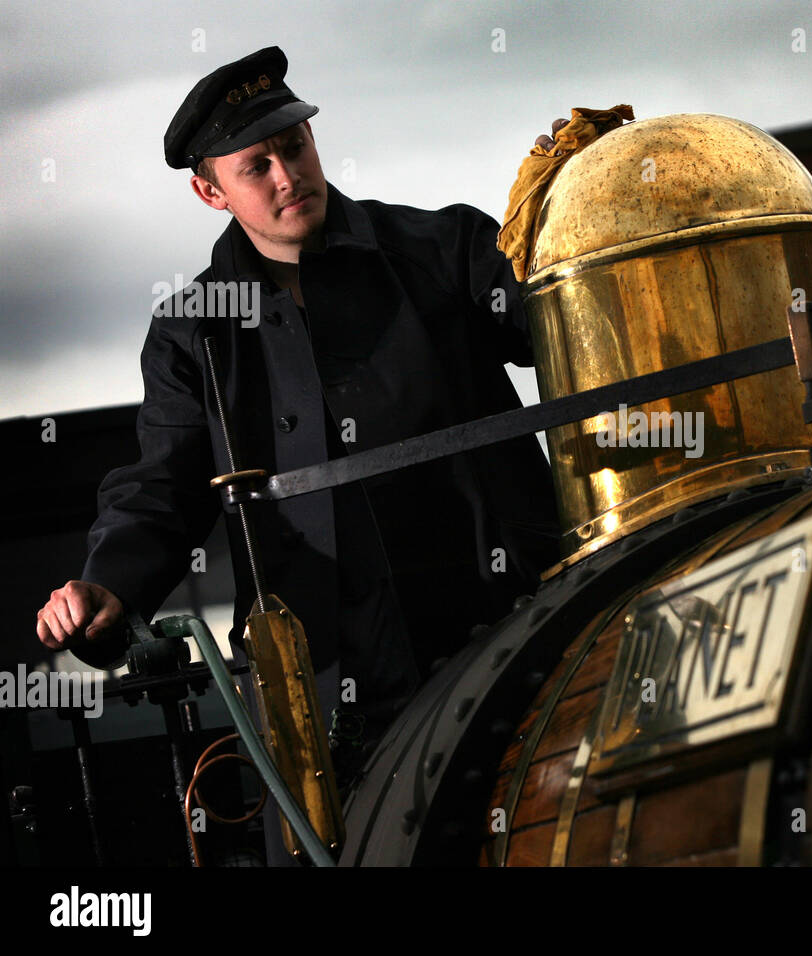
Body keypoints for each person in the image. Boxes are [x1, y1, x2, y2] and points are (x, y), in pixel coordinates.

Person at [33, 46, 560, 863]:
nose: (288, 175)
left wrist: (575, 218)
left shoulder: (443, 247)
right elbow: (160, 491)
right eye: (257, 166)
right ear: (211, 191)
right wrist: (105, 586)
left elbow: (563, 326)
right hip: (323, 695)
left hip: (508, 630)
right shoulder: (192, 333)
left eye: (296, 146)